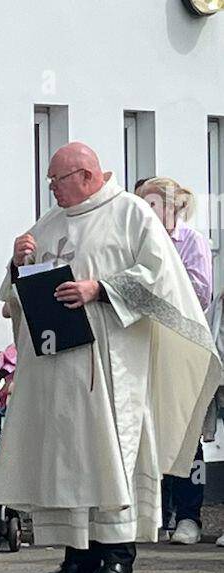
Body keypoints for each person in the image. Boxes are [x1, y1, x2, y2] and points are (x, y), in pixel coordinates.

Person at [0, 143, 221, 573]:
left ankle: (116, 555)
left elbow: (162, 280)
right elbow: (16, 299)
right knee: (67, 460)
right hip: (58, 368)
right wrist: (18, 264)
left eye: (58, 179)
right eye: (50, 181)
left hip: (111, 364)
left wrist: (101, 289)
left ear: (87, 175)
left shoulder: (132, 213)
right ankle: (75, 555)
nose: (52, 188)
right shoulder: (51, 222)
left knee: (110, 457)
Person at [135, 177, 214, 545]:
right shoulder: (137, 241)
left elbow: (199, 295)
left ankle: (188, 516)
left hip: (180, 347)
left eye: (150, 205)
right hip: (143, 345)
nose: (143, 212)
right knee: (145, 429)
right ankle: (153, 513)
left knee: (184, 432)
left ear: (171, 208)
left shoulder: (191, 242)